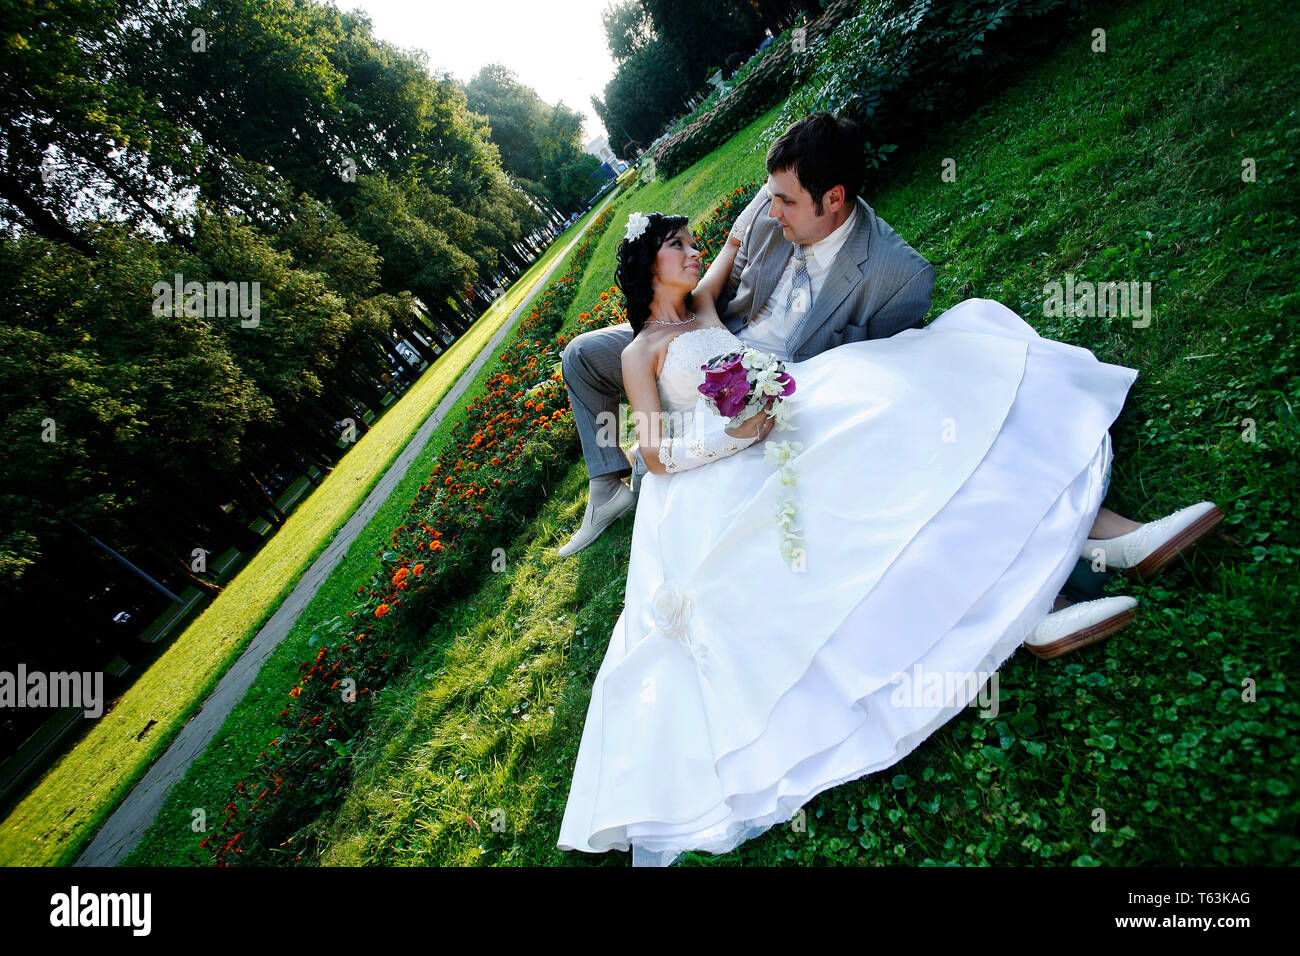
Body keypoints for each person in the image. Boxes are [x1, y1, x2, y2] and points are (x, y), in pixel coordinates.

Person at [555, 209, 1221, 866]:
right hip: (725, 461)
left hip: (786, 407)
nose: (693, 253)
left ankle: (1101, 547)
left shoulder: (701, 303)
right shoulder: (642, 354)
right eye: (678, 245)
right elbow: (658, 454)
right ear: (650, 267)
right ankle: (1035, 609)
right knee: (852, 522)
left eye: (690, 242)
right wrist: (728, 438)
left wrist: (770, 194)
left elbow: (733, 240)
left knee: (916, 414)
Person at [557, 111, 1221, 656]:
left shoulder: (894, 276)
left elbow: (869, 353)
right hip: (727, 394)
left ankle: (1097, 550)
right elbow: (707, 298)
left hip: (807, 383)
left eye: (786, 202)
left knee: (926, 426)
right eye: (771, 198)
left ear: (834, 199)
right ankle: (1049, 591)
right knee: (879, 464)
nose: (772, 211)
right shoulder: (758, 221)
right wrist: (714, 413)